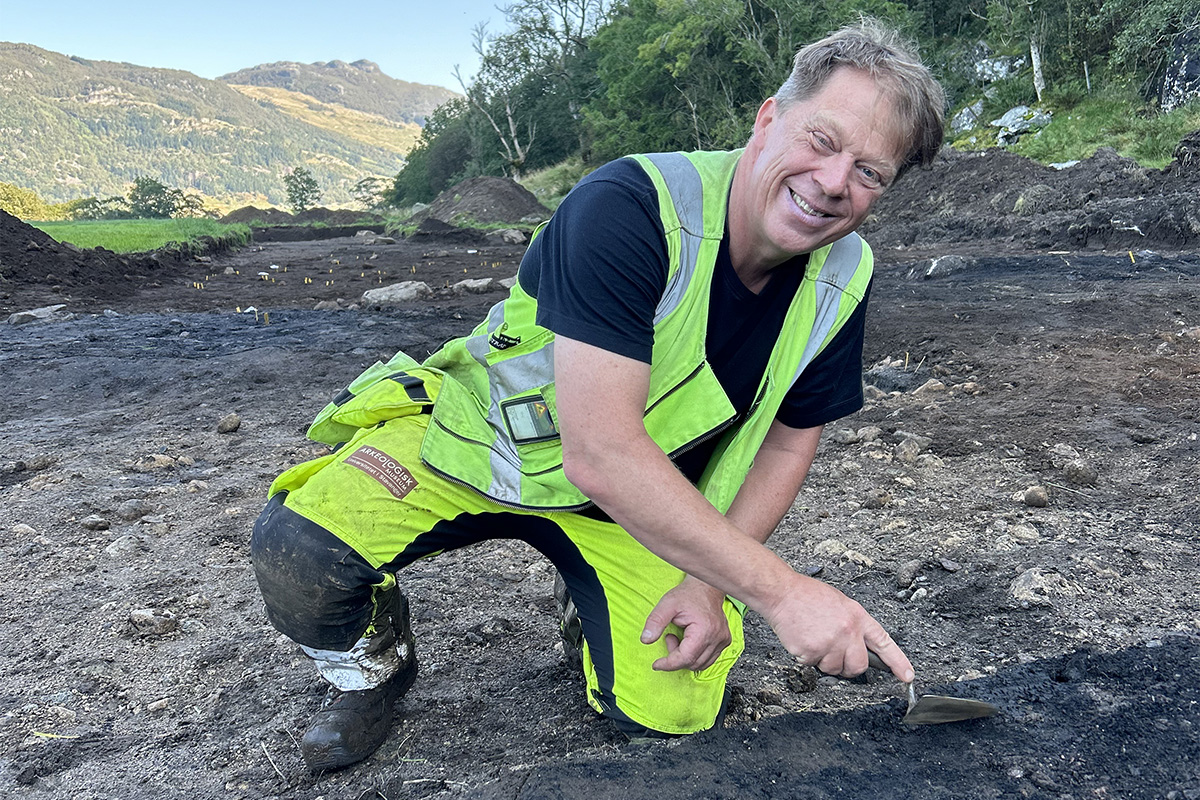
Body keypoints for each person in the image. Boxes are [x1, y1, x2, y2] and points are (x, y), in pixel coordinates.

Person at [250, 18, 946, 772]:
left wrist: (707, 581)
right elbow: (603, 451)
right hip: (479, 444)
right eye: (822, 139)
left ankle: (587, 606)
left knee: (675, 715)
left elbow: (787, 438)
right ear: (769, 118)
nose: (836, 181)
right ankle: (373, 671)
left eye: (871, 172)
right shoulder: (634, 205)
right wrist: (780, 592)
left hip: (637, 508)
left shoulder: (844, 273)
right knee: (302, 549)